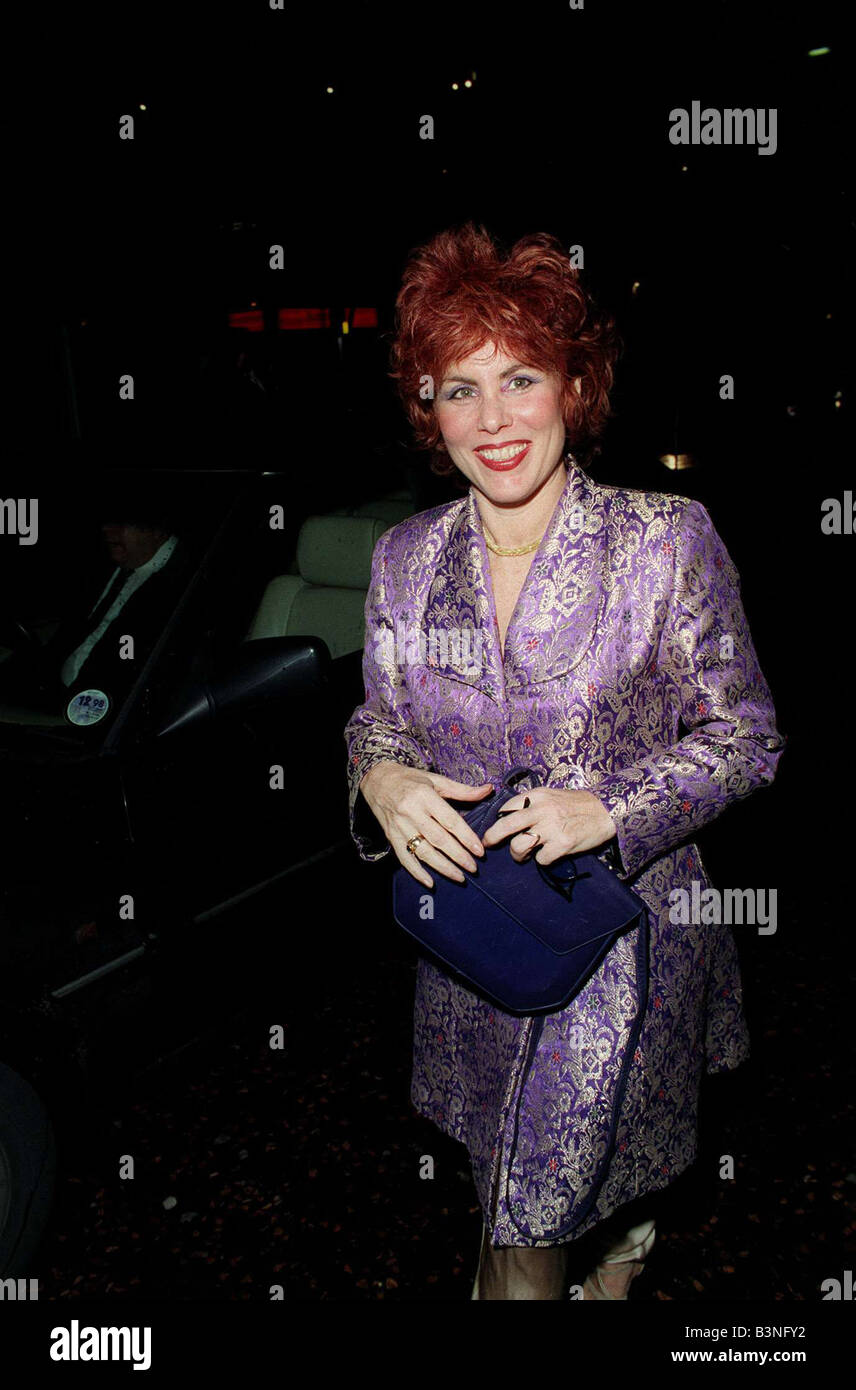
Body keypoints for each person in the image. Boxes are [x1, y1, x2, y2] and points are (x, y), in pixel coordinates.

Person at [344, 223, 785, 1300]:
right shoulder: (405, 561)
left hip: (618, 951)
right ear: (425, 407)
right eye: (458, 388)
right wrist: (380, 779)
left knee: (525, 1228)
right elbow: (379, 720)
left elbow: (749, 737)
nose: (491, 420)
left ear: (573, 384)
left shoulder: (662, 539)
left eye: (520, 378)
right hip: (471, 945)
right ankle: (618, 1254)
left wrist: (613, 809)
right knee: (515, 1193)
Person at [0, 498, 188, 717]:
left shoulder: (186, 581)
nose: (108, 530)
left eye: (123, 523)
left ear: (158, 531)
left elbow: (138, 667)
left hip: (98, 714)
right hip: (53, 694)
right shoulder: (106, 562)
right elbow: (72, 627)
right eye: (108, 521)